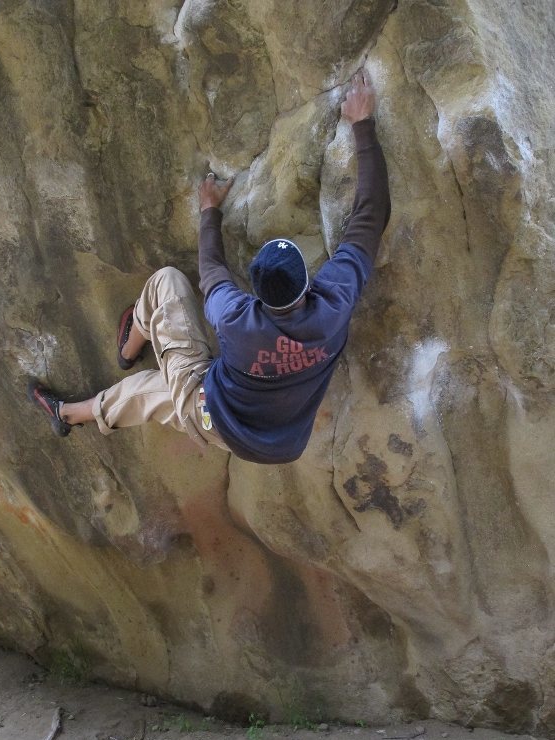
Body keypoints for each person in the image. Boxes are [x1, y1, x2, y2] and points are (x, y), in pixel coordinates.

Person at [28, 70, 390, 464]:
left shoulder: (237, 319)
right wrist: (363, 125)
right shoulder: (333, 306)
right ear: (307, 283)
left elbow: (212, 271)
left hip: (212, 413)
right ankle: (70, 414)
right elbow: (371, 216)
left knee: (165, 283)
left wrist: (209, 210)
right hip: (278, 443)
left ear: (257, 294)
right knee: (161, 395)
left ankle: (132, 341)